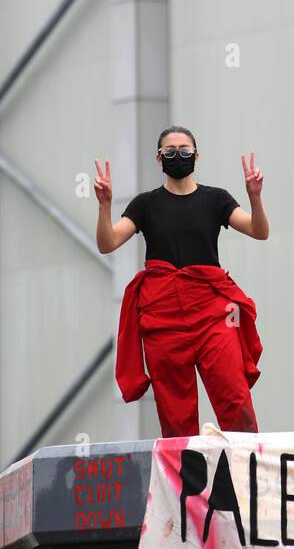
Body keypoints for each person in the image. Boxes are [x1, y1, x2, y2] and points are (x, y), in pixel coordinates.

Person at [94, 127, 268, 438]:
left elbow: (258, 230)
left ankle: (247, 478)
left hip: (213, 314)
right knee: (176, 418)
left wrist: (255, 197)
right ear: (159, 158)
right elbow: (108, 243)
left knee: (235, 399)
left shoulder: (216, 199)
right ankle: (185, 486)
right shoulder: (145, 204)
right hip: (164, 319)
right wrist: (104, 205)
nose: (178, 156)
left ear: (197, 156)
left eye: (185, 150)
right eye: (170, 151)